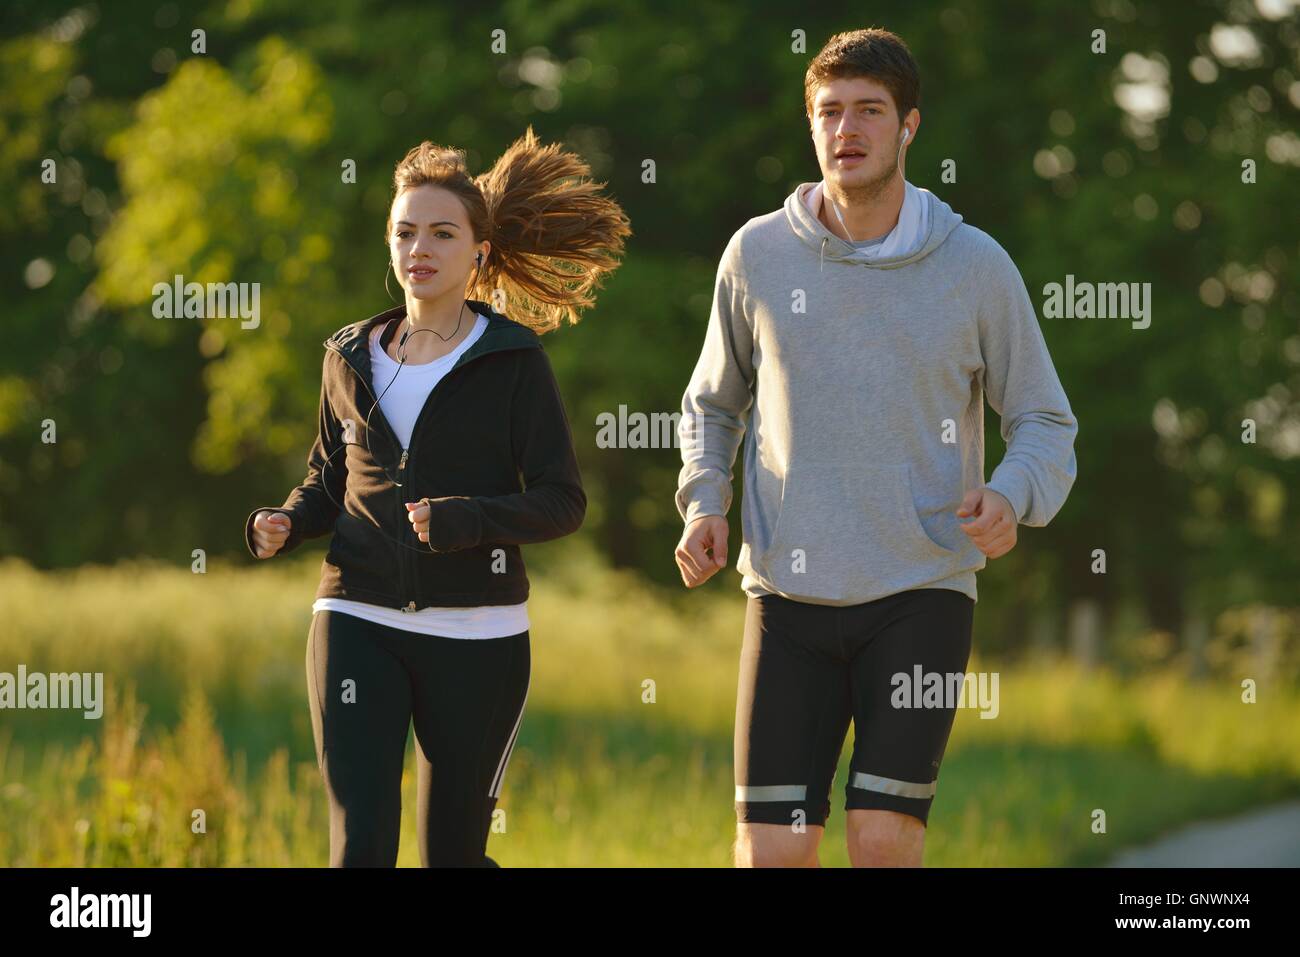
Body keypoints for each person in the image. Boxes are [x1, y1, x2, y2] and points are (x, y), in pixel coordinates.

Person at [674, 28, 1078, 867]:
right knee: (771, 852)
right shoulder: (757, 253)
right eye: (829, 111)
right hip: (786, 595)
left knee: (882, 841)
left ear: (909, 127)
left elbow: (1043, 417)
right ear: (811, 125)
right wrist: (705, 498)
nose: (845, 129)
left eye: (868, 110)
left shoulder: (973, 266)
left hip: (919, 587)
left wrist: (1012, 493)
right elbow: (713, 404)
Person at [245, 127, 629, 867]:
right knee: (360, 849)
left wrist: (466, 521)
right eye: (405, 231)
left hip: (478, 636)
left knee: (453, 855)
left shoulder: (513, 360)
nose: (420, 247)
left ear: (478, 252)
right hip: (355, 613)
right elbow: (330, 479)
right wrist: (286, 521)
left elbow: (562, 500)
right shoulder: (347, 357)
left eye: (442, 232)